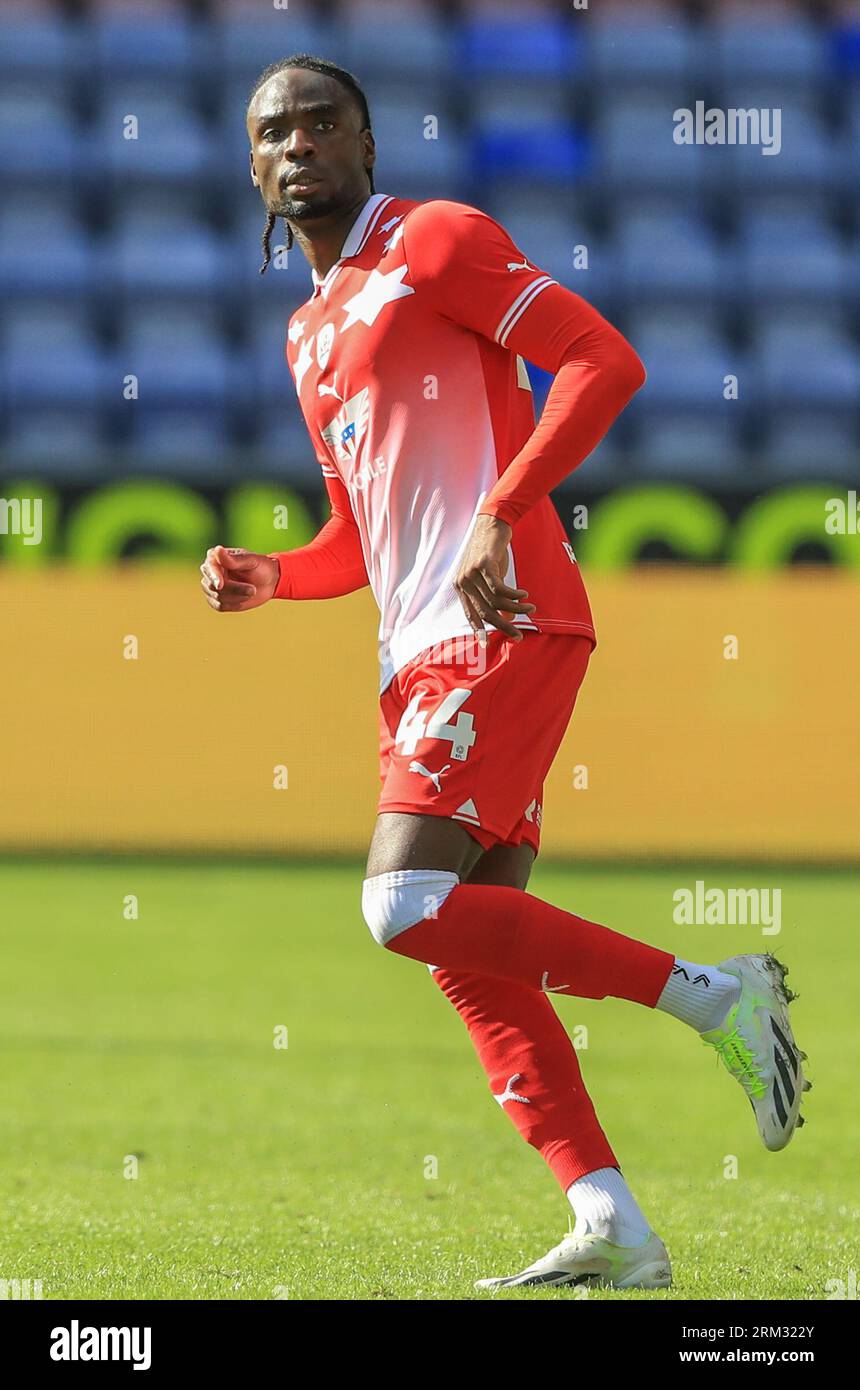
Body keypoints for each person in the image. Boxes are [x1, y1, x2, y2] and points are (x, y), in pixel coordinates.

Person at [200, 54, 809, 1291]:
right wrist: (276, 573)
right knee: (472, 956)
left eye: (325, 122)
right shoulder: (309, 332)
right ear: (253, 166)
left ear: (368, 147)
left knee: (400, 906)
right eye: (276, 131)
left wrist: (505, 506)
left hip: (506, 622)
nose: (300, 142)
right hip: (419, 643)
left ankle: (716, 995)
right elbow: (356, 541)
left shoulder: (435, 241)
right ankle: (612, 1222)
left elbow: (603, 362)